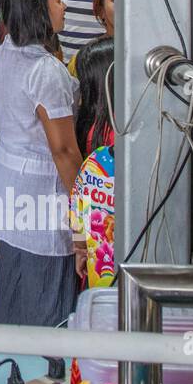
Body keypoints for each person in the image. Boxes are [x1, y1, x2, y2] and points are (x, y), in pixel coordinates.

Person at [0, 0, 82, 327]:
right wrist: (84, 213)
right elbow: (64, 151)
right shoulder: (45, 71)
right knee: (47, 289)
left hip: (8, 180)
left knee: (16, 280)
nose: (63, 5)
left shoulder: (3, 54)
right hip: (41, 191)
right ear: (39, 8)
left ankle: (13, 366)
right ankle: (42, 373)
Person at [70, 37, 116, 288]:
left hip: (94, 246)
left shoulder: (87, 125)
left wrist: (79, 244)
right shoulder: (118, 131)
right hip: (117, 243)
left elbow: (77, 202)